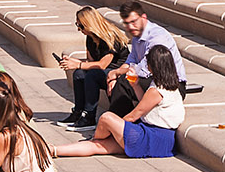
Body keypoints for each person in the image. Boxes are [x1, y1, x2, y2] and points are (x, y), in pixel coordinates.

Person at [54, 45, 186, 160]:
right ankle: (52, 150)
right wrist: (135, 86)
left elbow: (134, 115)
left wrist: (114, 129)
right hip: (157, 138)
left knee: (106, 118)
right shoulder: (168, 85)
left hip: (150, 138)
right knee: (98, 147)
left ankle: (96, 138)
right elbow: (145, 105)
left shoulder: (157, 90)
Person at [59, 6, 129, 128]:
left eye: (81, 26)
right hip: (104, 73)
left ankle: (90, 116)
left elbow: (102, 64)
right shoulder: (91, 37)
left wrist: (78, 64)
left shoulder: (110, 37)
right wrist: (75, 62)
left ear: (90, 25)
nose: (79, 29)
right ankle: (78, 112)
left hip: (120, 73)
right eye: (77, 25)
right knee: (79, 74)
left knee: (92, 75)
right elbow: (90, 62)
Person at [108, 0, 192, 96]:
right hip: (151, 80)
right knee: (104, 77)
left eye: (133, 22)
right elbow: (130, 62)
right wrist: (114, 76)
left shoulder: (157, 36)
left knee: (124, 82)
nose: (130, 27)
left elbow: (144, 69)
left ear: (143, 17)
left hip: (171, 85)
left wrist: (118, 72)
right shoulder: (136, 37)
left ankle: (116, 111)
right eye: (126, 23)